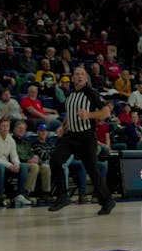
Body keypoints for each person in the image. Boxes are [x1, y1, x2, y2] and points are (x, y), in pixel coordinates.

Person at [48, 67, 115, 215]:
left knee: (93, 171)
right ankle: (63, 196)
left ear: (86, 78)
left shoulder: (91, 93)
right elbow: (70, 114)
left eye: (82, 74)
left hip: (86, 137)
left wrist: (89, 114)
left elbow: (106, 112)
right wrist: (62, 126)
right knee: (55, 161)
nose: (79, 76)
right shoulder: (70, 95)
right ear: (72, 78)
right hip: (70, 136)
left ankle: (107, 200)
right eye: (77, 74)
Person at [0, 118, 33, 207]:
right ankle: (0, 196)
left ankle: (20, 195)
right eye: (3, 126)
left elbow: (14, 156)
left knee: (23, 166)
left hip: (6, 165)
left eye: (7, 126)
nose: (5, 128)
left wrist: (17, 164)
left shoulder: (10, 139)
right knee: (0, 167)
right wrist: (10, 165)